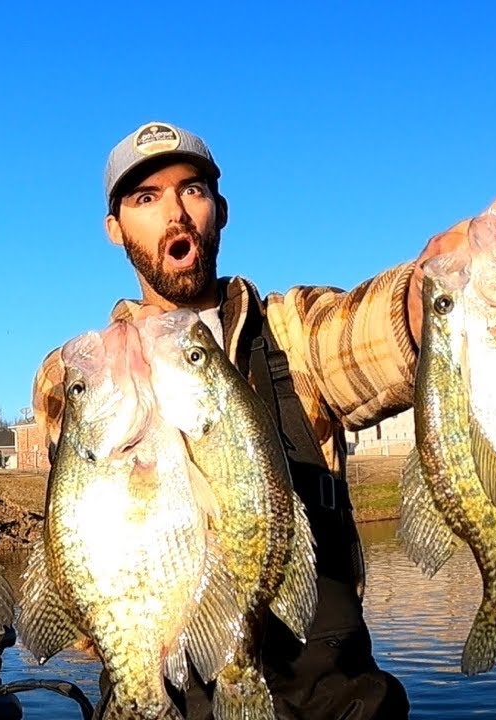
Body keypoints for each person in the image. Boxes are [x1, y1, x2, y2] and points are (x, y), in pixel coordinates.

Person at [32, 122, 467, 719]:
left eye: (193, 190)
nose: (176, 213)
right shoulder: (76, 373)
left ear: (220, 210)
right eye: (146, 198)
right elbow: (77, 561)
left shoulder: (294, 330)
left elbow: (386, 329)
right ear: (115, 229)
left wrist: (445, 279)